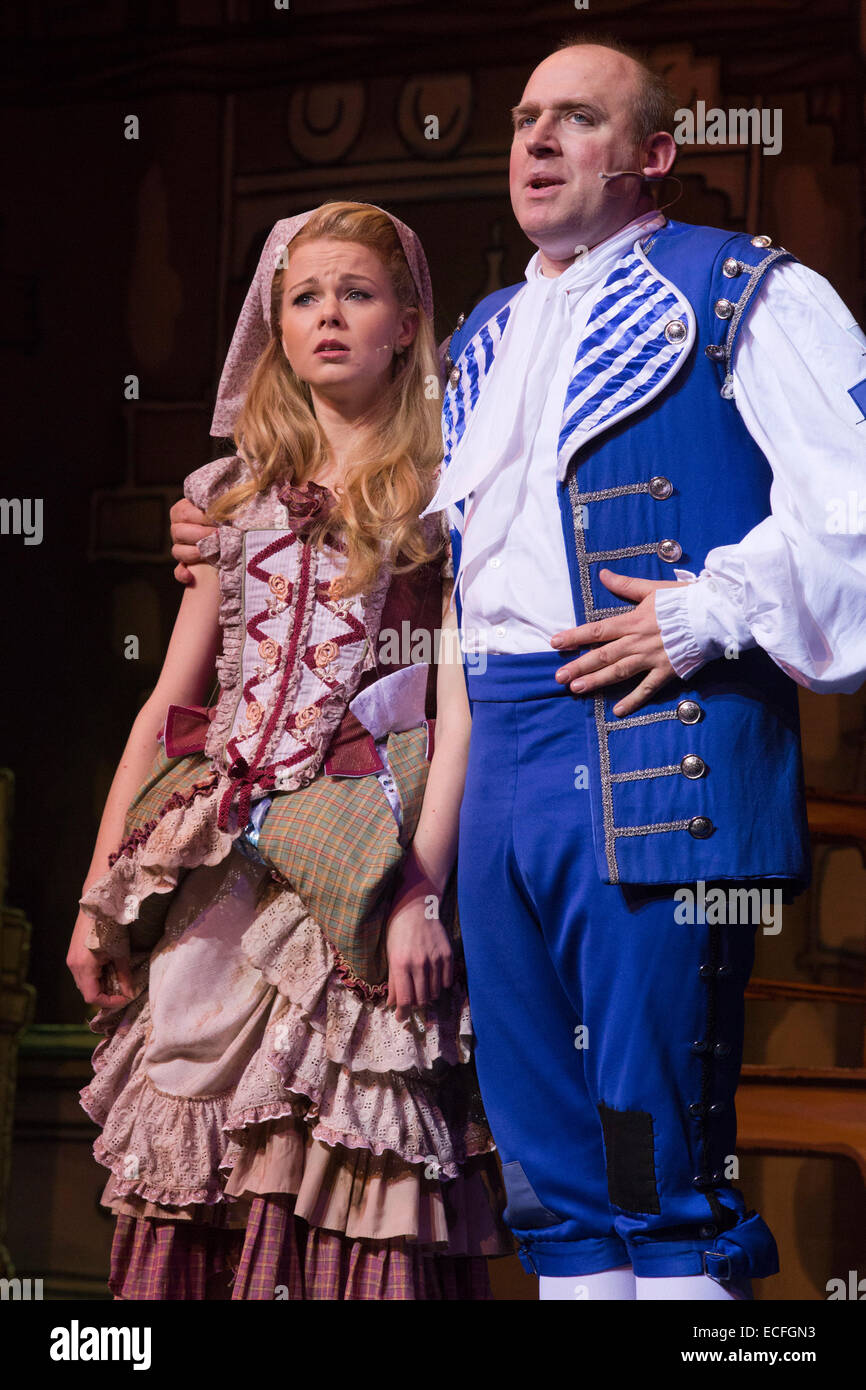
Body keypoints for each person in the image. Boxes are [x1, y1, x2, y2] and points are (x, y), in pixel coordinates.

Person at [170, 43, 866, 1302]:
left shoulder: (742, 292)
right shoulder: (486, 332)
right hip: (487, 750)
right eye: (525, 117)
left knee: (656, 1159)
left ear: (651, 154)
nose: (537, 139)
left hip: (653, 733)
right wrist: (231, 517)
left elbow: (854, 498)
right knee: (546, 1173)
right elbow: (389, 504)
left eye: (578, 119)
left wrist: (708, 609)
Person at [68, 200, 511, 1300]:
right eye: (303, 297)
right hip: (219, 860)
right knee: (196, 1126)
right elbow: (170, 705)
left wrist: (418, 886)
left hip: (363, 849)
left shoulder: (445, 496)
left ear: (407, 322)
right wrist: (94, 893)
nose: (326, 317)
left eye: (354, 294)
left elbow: (458, 712)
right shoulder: (228, 496)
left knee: (349, 1138)